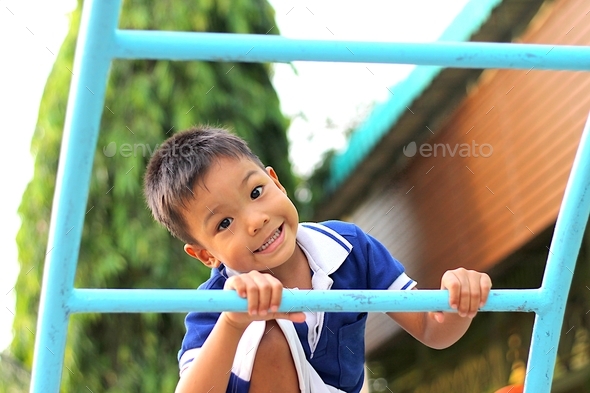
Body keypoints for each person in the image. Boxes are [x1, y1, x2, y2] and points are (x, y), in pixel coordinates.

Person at [143, 126, 492, 393]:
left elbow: (432, 328)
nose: (255, 220)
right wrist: (234, 323)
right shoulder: (217, 301)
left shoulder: (348, 247)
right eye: (224, 223)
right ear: (206, 255)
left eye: (255, 192)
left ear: (276, 183)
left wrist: (458, 300)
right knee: (265, 334)